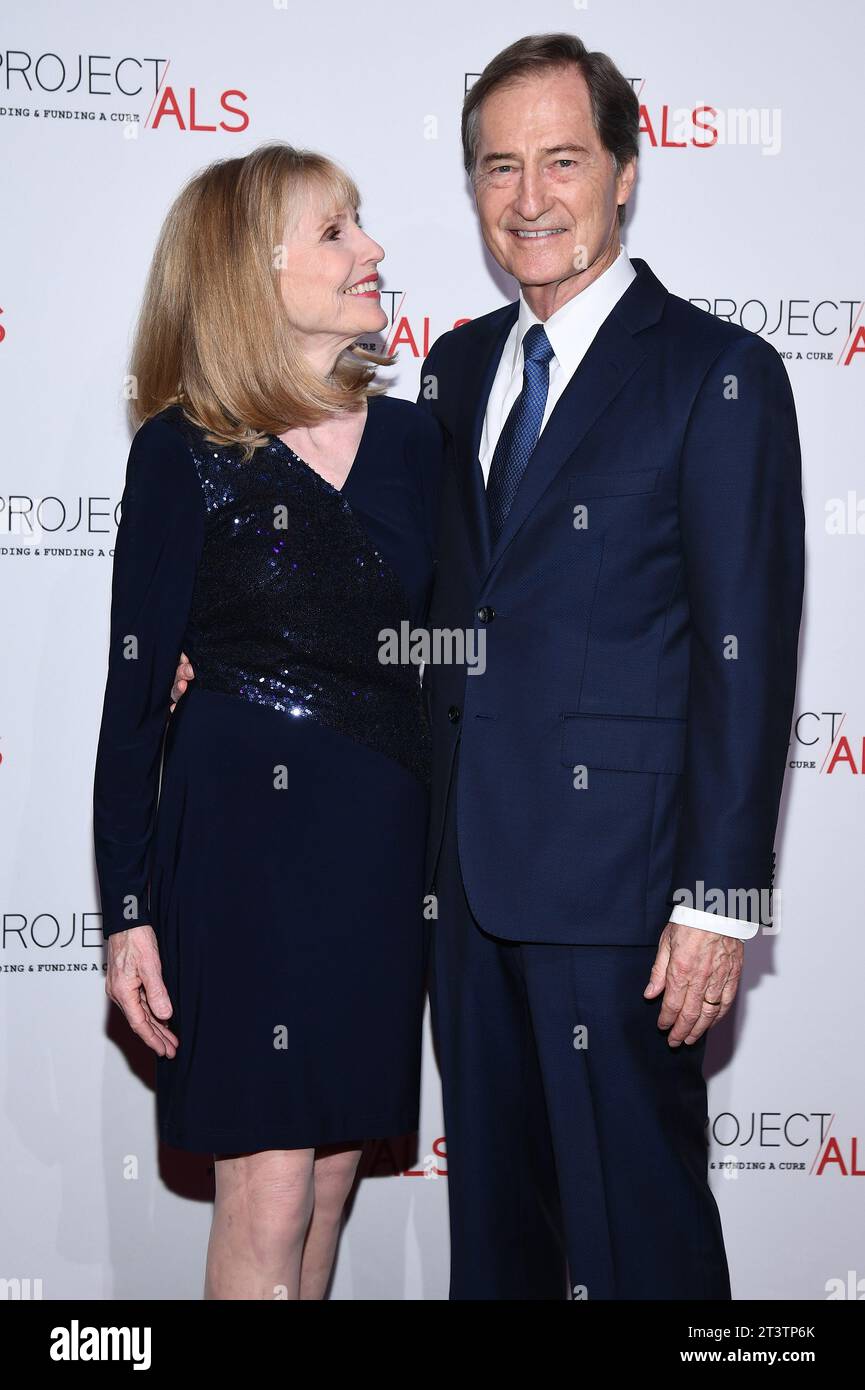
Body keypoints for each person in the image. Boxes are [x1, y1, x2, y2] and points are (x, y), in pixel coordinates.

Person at [412, 33, 804, 1299]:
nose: (528, 198)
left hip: (625, 898)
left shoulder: (715, 375)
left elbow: (747, 653)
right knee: (499, 1250)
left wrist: (719, 901)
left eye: (562, 161)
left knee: (643, 1247)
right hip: (464, 888)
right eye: (499, 166)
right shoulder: (456, 364)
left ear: (625, 172)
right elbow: (437, 608)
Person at [93, 143, 442, 1300]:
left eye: (363, 224)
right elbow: (135, 693)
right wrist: (127, 909)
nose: (372, 250)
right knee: (271, 1183)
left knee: (335, 1171)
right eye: (336, 231)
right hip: (243, 848)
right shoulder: (183, 451)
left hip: (381, 852)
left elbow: (453, 648)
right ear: (254, 268)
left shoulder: (416, 443)